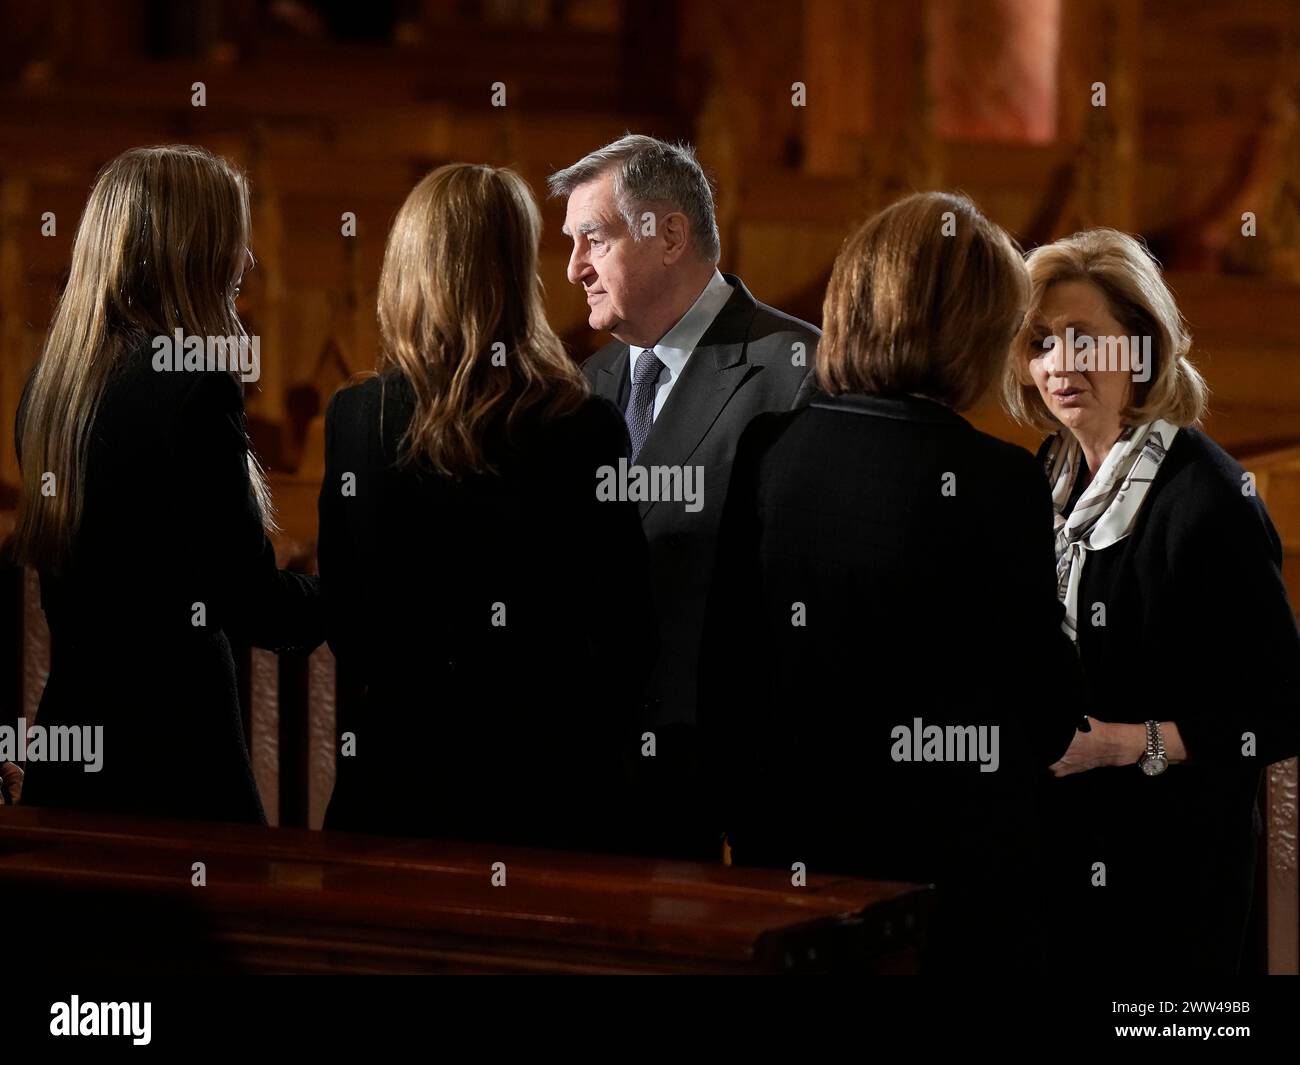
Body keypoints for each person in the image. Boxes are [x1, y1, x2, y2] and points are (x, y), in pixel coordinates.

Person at [700, 192, 1080, 971]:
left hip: (791, 884)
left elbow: (727, 679)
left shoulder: (771, 451)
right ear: (975, 329)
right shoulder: (1001, 481)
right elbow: (1042, 716)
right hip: (949, 901)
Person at [319, 163, 653, 850]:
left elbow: (346, 618)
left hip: (395, 791)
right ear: (514, 270)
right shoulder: (583, 426)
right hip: (546, 796)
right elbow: (627, 637)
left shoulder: (357, 418)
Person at [1004, 227, 1300, 976]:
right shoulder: (1051, 467)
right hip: (1063, 855)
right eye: (1039, 343)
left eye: (1081, 339)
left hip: (1172, 874)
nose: (1058, 365)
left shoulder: (1208, 499)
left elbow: (1277, 711)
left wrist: (1126, 743)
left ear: (1141, 346)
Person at [10, 145, 321, 824]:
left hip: (72, 758)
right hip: (176, 764)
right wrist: (359, 592)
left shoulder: (49, 387)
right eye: (233, 244)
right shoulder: (193, 384)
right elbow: (255, 604)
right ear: (198, 252)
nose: (245, 263)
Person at [548, 134, 819, 858]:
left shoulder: (797, 367)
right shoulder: (581, 388)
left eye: (593, 239)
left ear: (669, 235)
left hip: (731, 774)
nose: (573, 268)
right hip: (597, 766)